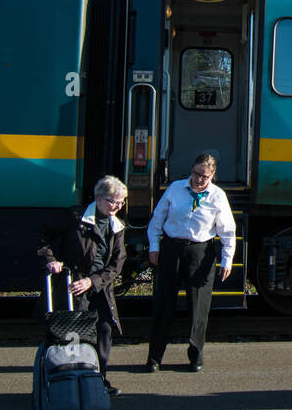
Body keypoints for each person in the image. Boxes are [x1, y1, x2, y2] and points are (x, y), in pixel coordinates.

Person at [37, 175, 128, 397]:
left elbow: (117, 263)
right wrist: (51, 260)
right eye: (112, 201)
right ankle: (68, 383)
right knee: (74, 335)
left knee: (104, 330)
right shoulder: (75, 216)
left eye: (121, 202)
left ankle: (99, 379)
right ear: (98, 199)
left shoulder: (117, 226)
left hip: (99, 287)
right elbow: (43, 235)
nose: (117, 206)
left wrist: (92, 281)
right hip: (73, 286)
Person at [143, 152, 235, 372]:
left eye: (204, 176)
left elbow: (227, 231)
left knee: (198, 307)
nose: (198, 179)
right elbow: (157, 219)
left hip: (200, 251)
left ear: (212, 175)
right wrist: (154, 246)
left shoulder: (217, 196)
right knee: (163, 304)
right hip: (172, 248)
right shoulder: (175, 188)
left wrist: (227, 260)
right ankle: (154, 358)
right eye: (195, 173)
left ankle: (196, 356)